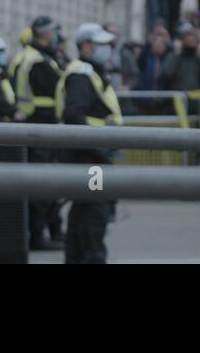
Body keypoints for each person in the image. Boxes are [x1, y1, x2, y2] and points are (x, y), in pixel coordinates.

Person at [56, 23, 123, 264]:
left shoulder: (89, 71)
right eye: (102, 45)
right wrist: (100, 150)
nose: (108, 49)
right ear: (85, 46)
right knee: (94, 215)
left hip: (89, 153)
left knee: (83, 214)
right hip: (89, 155)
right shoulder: (81, 74)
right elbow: (74, 115)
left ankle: (77, 259)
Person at [15, 16, 64, 249]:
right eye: (54, 33)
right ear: (45, 34)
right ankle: (39, 236)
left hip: (33, 126)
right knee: (43, 185)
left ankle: (45, 232)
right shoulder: (39, 61)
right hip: (42, 127)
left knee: (42, 183)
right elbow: (59, 87)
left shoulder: (27, 57)